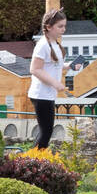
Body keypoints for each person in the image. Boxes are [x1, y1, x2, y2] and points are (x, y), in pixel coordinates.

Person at [28, 9, 67, 150]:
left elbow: (52, 66)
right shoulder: (42, 45)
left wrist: (68, 66)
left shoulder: (55, 44)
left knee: (46, 131)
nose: (63, 29)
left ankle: (35, 161)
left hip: (47, 95)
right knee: (46, 132)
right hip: (41, 94)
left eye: (64, 26)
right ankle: (34, 162)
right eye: (60, 26)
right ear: (48, 27)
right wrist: (55, 83)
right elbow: (34, 69)